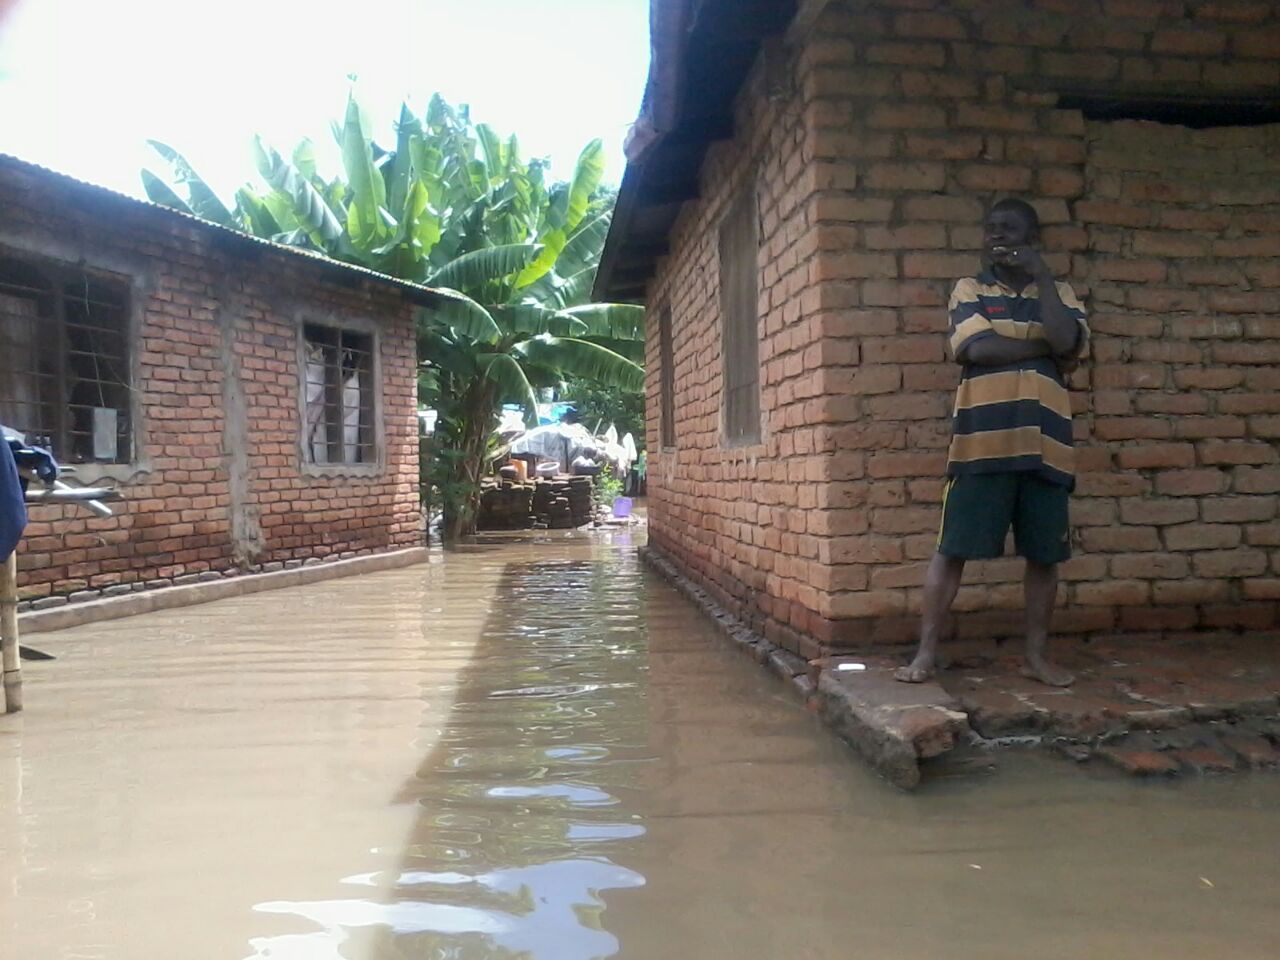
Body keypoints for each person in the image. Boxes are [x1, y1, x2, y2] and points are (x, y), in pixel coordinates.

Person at [895, 198, 1090, 688]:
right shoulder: (970, 288)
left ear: (1033, 238)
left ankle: (1037, 658)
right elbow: (978, 349)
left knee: (1045, 556)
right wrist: (1045, 350)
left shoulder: (1060, 292)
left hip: (1047, 446)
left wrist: (1043, 278)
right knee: (951, 549)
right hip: (980, 445)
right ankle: (925, 654)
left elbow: (1068, 339)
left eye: (1010, 228)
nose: (997, 236)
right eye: (991, 228)